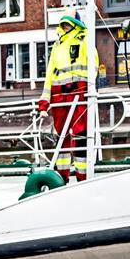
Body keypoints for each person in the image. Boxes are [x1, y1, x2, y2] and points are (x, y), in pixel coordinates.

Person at [38, 14, 97, 182]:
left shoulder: (84, 39)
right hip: (59, 97)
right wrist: (44, 102)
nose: (64, 27)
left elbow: (93, 66)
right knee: (61, 137)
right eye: (62, 24)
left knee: (81, 136)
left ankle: (83, 177)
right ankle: (62, 178)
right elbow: (50, 74)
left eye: (67, 24)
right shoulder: (58, 45)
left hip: (80, 94)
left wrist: (90, 92)